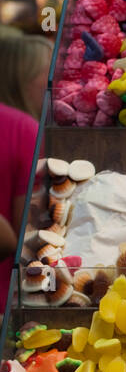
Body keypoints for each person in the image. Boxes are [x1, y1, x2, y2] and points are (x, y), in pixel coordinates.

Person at [0, 36, 52, 312]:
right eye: (48, 72)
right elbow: (28, 234)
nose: (52, 84)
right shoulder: (24, 129)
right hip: (10, 298)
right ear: (22, 78)